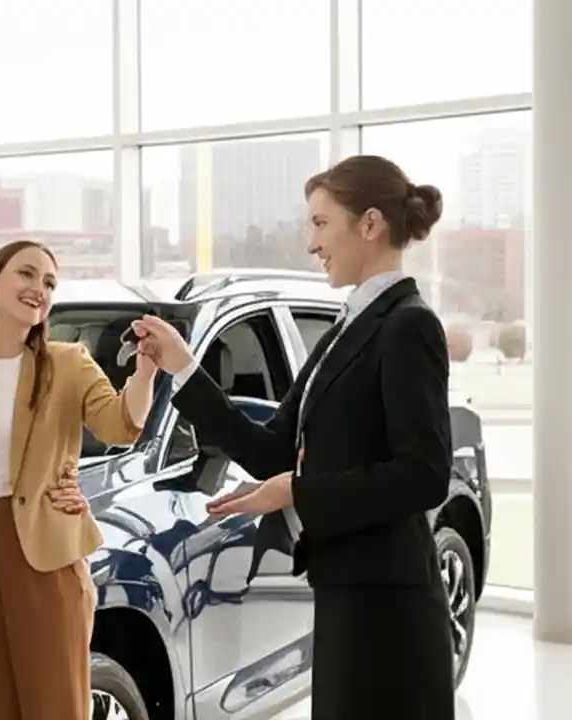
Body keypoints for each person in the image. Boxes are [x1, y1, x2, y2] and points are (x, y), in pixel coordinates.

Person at [133, 155, 456, 720]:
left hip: (390, 611)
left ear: (371, 224)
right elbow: (269, 449)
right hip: (347, 594)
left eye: (321, 223)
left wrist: (298, 492)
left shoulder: (408, 325)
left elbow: (425, 474)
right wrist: (183, 368)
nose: (312, 243)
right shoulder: (347, 327)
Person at [0, 239, 156, 719]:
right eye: (26, 274)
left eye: (49, 283)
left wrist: (143, 374)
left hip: (44, 556)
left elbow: (120, 425)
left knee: (54, 707)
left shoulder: (66, 363)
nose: (38, 288)